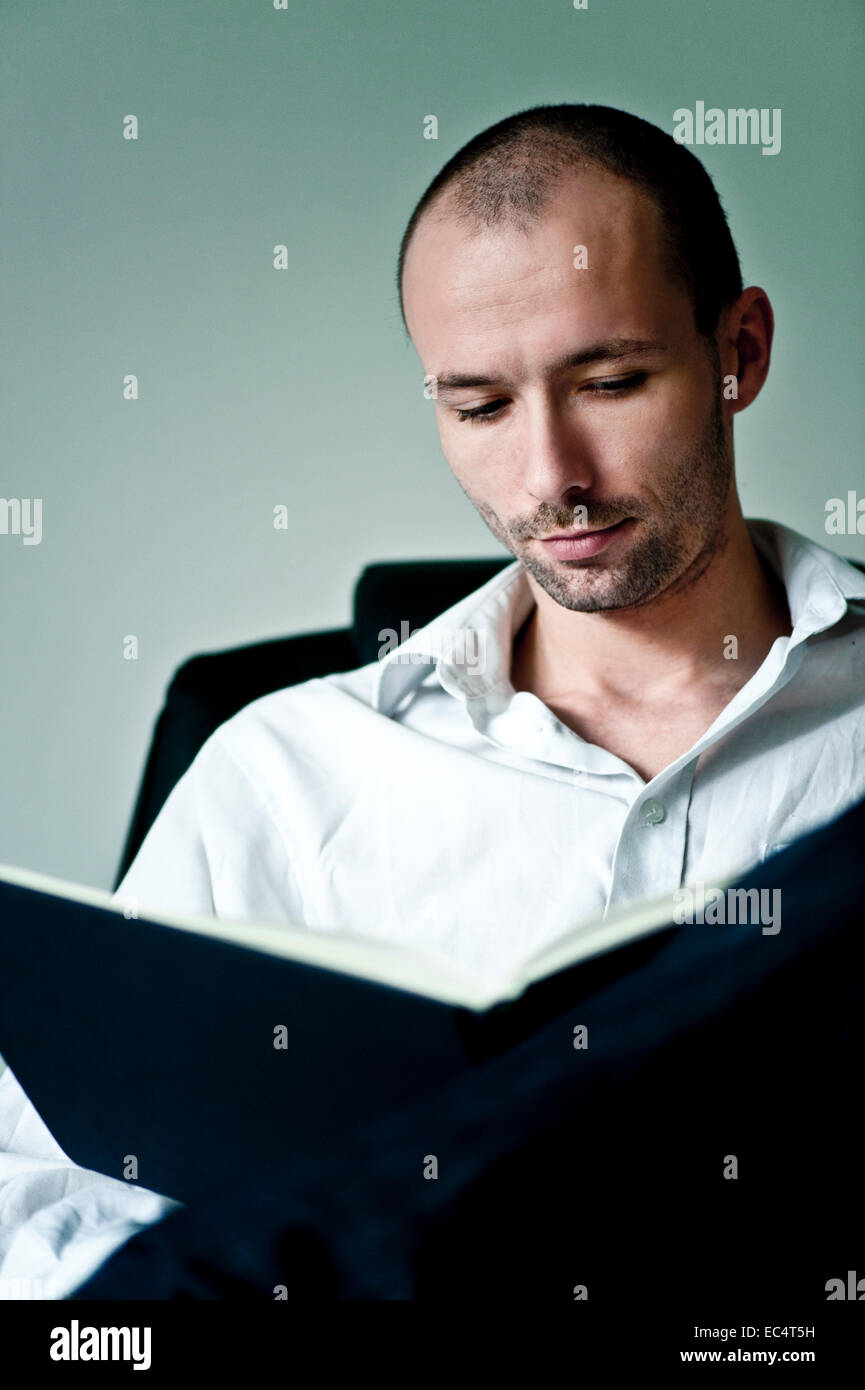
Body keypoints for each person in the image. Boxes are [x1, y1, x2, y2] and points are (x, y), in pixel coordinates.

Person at [2, 103, 864, 1300]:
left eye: (610, 381)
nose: (551, 475)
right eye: (479, 408)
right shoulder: (287, 775)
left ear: (741, 351)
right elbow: (50, 1194)